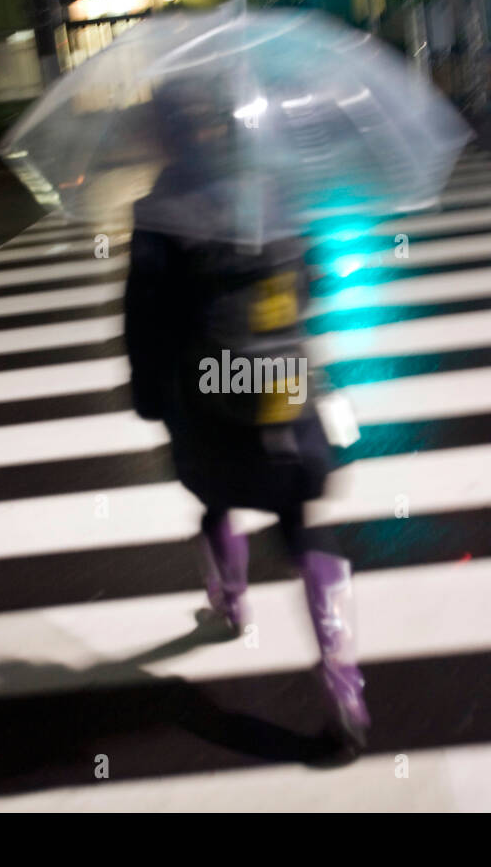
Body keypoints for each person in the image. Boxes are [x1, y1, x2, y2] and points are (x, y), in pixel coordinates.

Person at [123, 80, 370, 748]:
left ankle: (229, 602)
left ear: (166, 135)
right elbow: (313, 280)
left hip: (206, 395)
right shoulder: (272, 190)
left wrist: (149, 393)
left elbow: (144, 322)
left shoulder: (158, 211)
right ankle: (342, 679)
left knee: (213, 497)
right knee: (297, 522)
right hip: (282, 388)